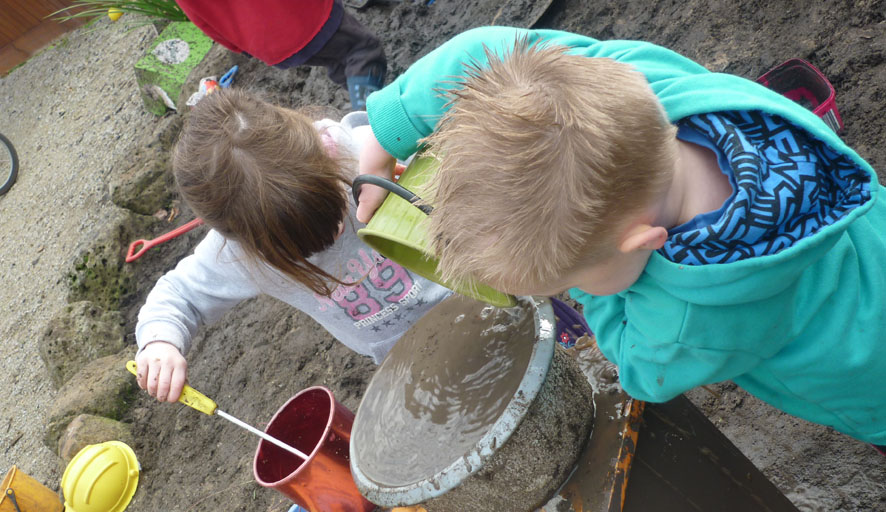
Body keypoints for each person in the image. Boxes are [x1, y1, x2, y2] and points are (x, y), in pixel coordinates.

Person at [355, 26, 886, 448]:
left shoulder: (691, 319)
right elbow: (480, 50)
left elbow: (641, 371)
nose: (568, 291)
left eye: (566, 283)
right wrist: (387, 130)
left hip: (862, 375)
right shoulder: (633, 85)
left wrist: (589, 292)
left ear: (641, 242)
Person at [135, 88, 450, 402]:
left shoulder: (359, 151)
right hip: (403, 356)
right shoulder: (238, 255)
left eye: (335, 209)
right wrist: (159, 343)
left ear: (324, 157)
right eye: (302, 248)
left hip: (462, 290)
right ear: (248, 242)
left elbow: (451, 146)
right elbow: (179, 295)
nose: (339, 232)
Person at [174, 0, 386, 110]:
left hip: (264, 41)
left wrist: (242, 46)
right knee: (360, 50)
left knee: (339, 59)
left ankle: (366, 100)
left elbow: (201, 20)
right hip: (296, 13)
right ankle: (372, 118)